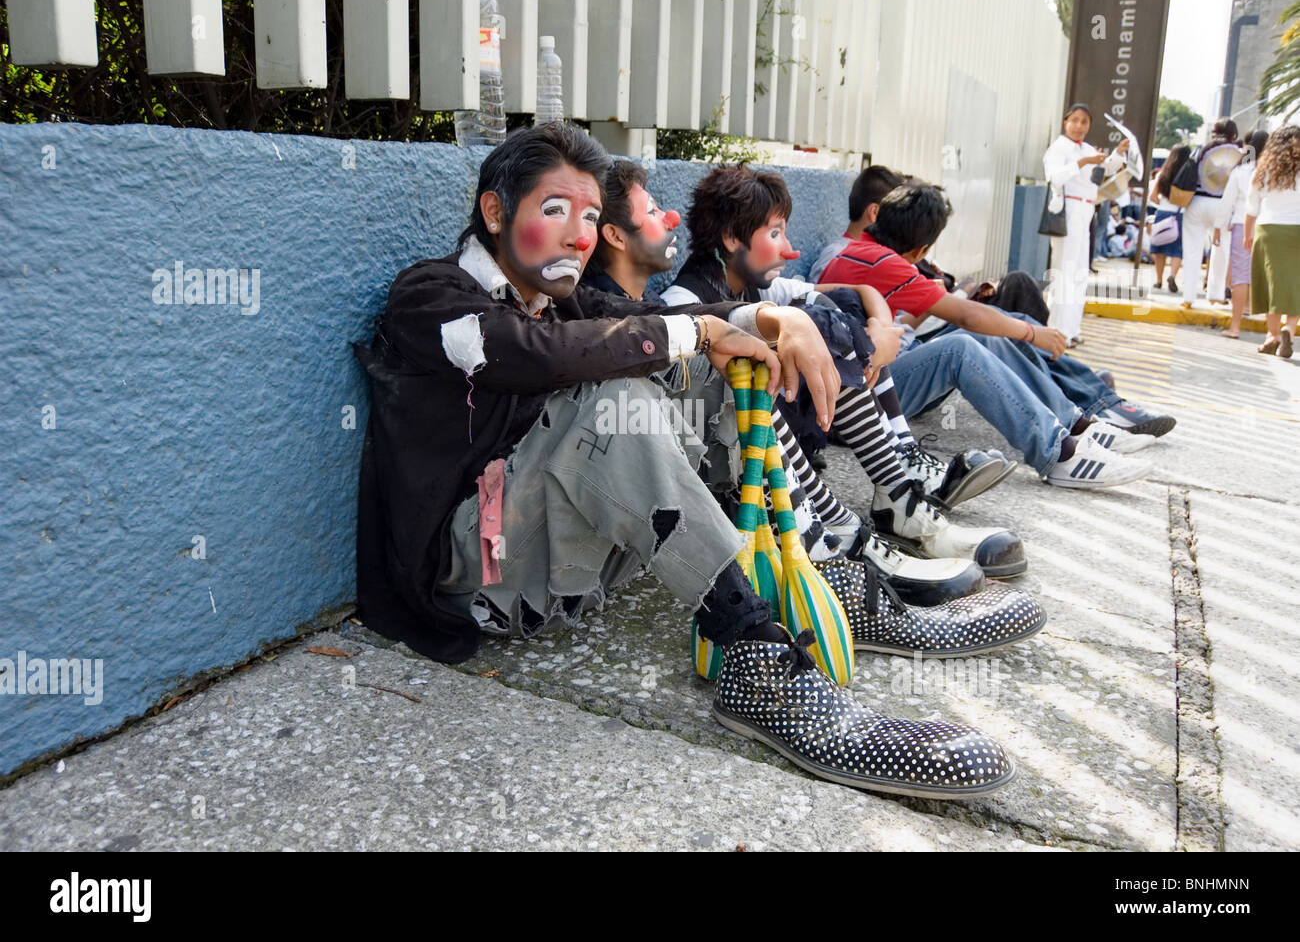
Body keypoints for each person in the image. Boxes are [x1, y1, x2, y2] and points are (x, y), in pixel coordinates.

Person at [351, 123, 1033, 799]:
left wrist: (763, 322)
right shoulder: (430, 297)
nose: (576, 235)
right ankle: (753, 653)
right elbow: (532, 355)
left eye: (589, 217)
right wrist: (700, 329)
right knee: (615, 396)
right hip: (482, 580)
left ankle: (816, 580)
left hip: (563, 566)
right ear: (496, 211)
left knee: (716, 366)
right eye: (554, 211)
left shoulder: (563, 301)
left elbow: (655, 321)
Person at [659, 164, 1029, 578]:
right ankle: (832, 520)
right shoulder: (682, 303)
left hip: (781, 444)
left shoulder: (757, 287)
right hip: (727, 471)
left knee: (839, 319)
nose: (789, 249)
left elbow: (856, 294)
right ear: (731, 239)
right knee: (792, 347)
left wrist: (876, 325)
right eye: (776, 233)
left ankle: (895, 493)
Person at [821, 181, 1157, 489]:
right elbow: (966, 314)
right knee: (962, 346)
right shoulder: (882, 261)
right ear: (921, 251)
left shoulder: (861, 250)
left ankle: (1074, 426)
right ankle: (1060, 454)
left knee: (987, 336)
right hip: (854, 409)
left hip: (865, 385)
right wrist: (1032, 333)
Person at [1042, 103, 1130, 346]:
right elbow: (1055, 176)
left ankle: (1071, 327)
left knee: (1080, 270)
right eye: (1075, 120)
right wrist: (1082, 162)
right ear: (1066, 122)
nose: (1079, 126)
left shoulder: (1086, 148)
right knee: (1064, 270)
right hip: (1067, 209)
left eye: (1085, 122)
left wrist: (1119, 153)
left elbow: (1105, 167)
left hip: (1087, 209)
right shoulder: (1059, 149)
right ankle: (1057, 330)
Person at [1174, 117, 1241, 307]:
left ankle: (1188, 297)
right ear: (1233, 135)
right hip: (1223, 205)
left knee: (1192, 250)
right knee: (1221, 250)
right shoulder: (1240, 153)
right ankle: (1216, 294)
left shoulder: (1202, 149)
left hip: (1197, 202)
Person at [1245, 125, 1300, 357]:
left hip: (1268, 229)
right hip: (1297, 229)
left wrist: (1247, 234)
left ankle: (1273, 335)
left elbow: (1251, 206)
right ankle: (1289, 328)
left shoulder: (1263, 169)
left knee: (1271, 284)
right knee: (1295, 283)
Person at [1213, 129, 1270, 338]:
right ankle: (1270, 329)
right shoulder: (1274, 172)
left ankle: (1235, 327)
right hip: (1267, 225)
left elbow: (1226, 202)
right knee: (1267, 276)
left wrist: (1218, 226)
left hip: (1240, 224)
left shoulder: (1240, 172)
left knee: (1240, 276)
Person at [1148, 146, 1189, 294]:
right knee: (1177, 250)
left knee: (1160, 248)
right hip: (1180, 215)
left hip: (1163, 213)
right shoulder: (1188, 176)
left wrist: (1162, 204)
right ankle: (1172, 275)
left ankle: (1158, 280)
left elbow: (1153, 197)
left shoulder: (1162, 174)